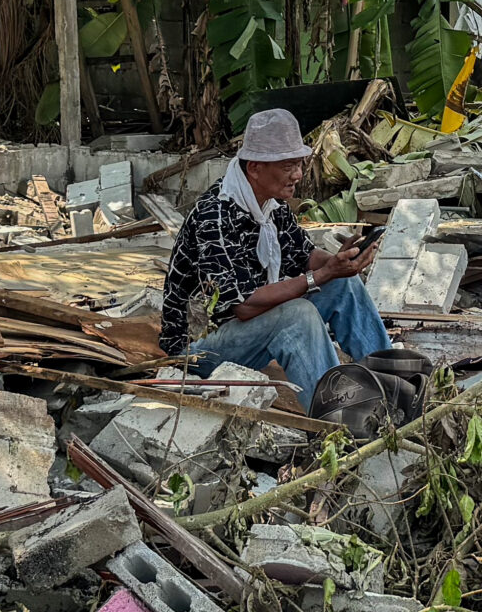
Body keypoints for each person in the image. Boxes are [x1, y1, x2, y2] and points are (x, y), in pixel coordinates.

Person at [160, 108, 387, 398]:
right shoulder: (215, 215)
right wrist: (322, 274)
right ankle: (334, 421)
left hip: (248, 332)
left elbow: (303, 254)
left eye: (299, 164)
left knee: (344, 284)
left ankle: (390, 378)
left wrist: (339, 263)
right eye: (288, 166)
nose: (298, 175)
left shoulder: (272, 205)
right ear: (254, 167)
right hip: (198, 350)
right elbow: (243, 305)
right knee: (297, 315)